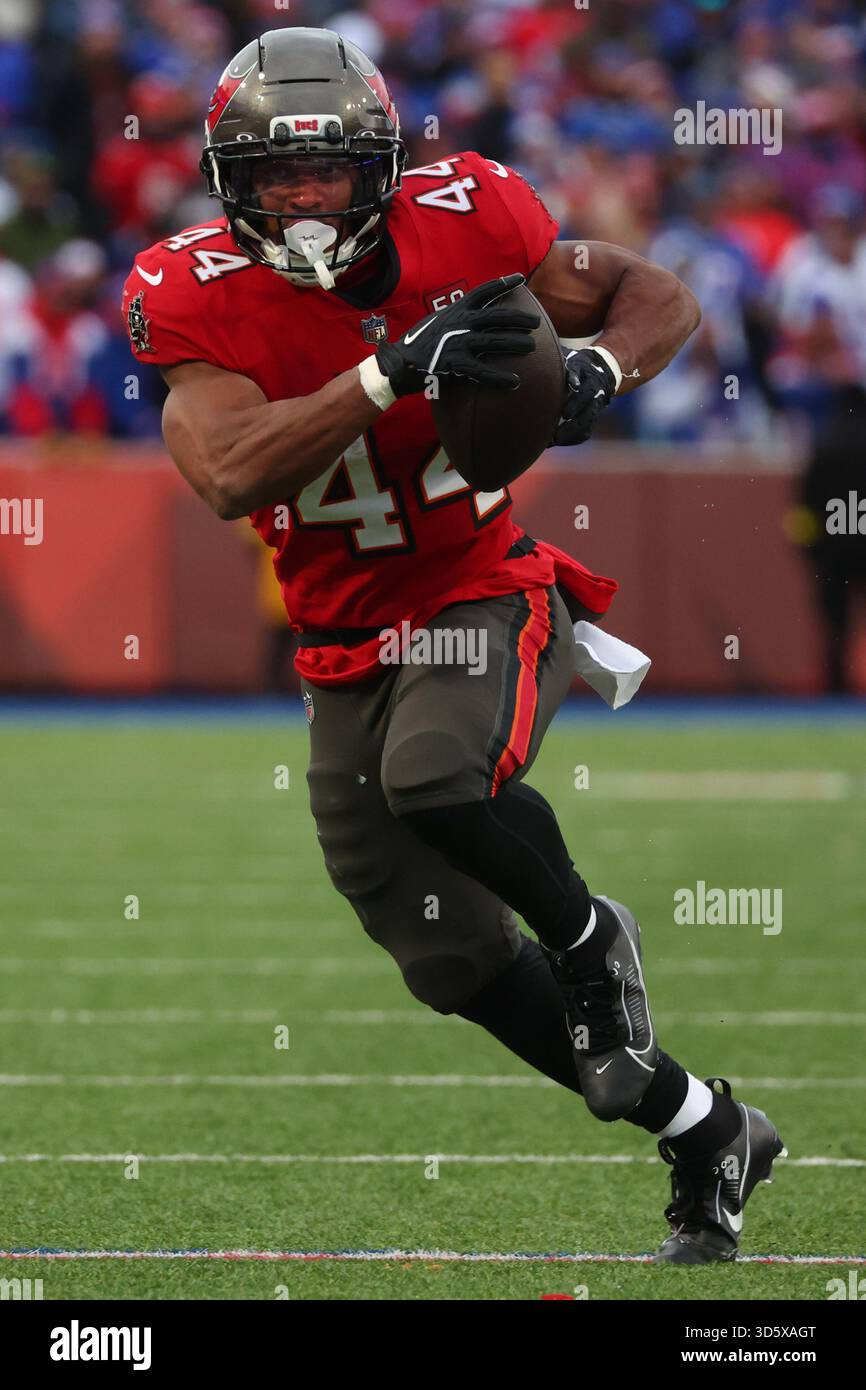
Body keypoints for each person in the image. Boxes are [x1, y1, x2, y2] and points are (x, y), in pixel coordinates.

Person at [122, 26, 784, 1263]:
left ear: (379, 166)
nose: (300, 198)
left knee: (433, 773)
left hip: (482, 586)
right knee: (451, 957)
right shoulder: (190, 289)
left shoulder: (471, 214)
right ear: (228, 179)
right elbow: (222, 473)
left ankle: (591, 939)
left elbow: (659, 294)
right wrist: (384, 376)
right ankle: (705, 1128)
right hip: (338, 640)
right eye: (271, 175)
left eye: (324, 172)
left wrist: (593, 365)